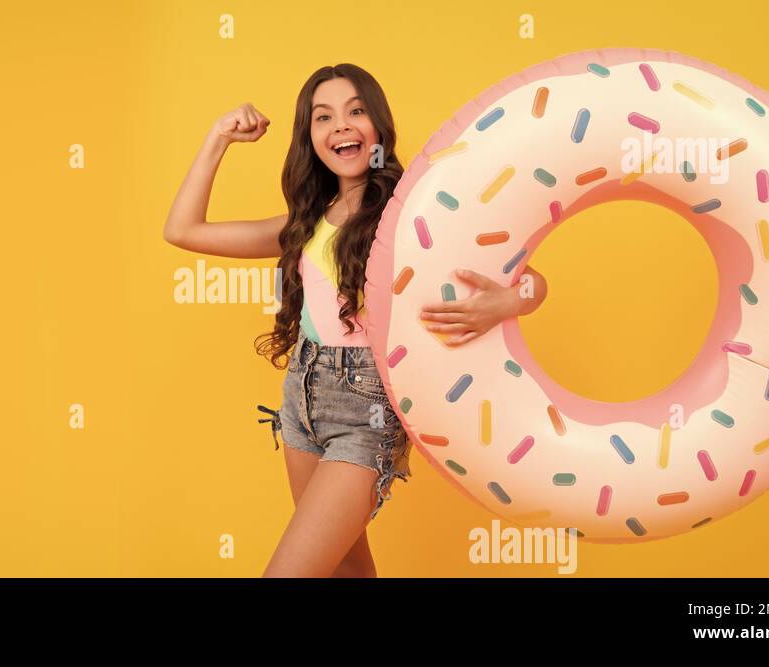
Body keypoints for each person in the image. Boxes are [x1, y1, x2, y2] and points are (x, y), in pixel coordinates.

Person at [163, 64, 548, 577]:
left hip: (367, 410)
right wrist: (218, 138)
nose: (341, 125)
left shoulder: (413, 209)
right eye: (324, 117)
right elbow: (183, 229)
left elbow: (533, 280)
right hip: (301, 400)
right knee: (347, 568)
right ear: (311, 138)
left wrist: (507, 302)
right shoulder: (304, 224)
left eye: (356, 111)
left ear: (378, 127)